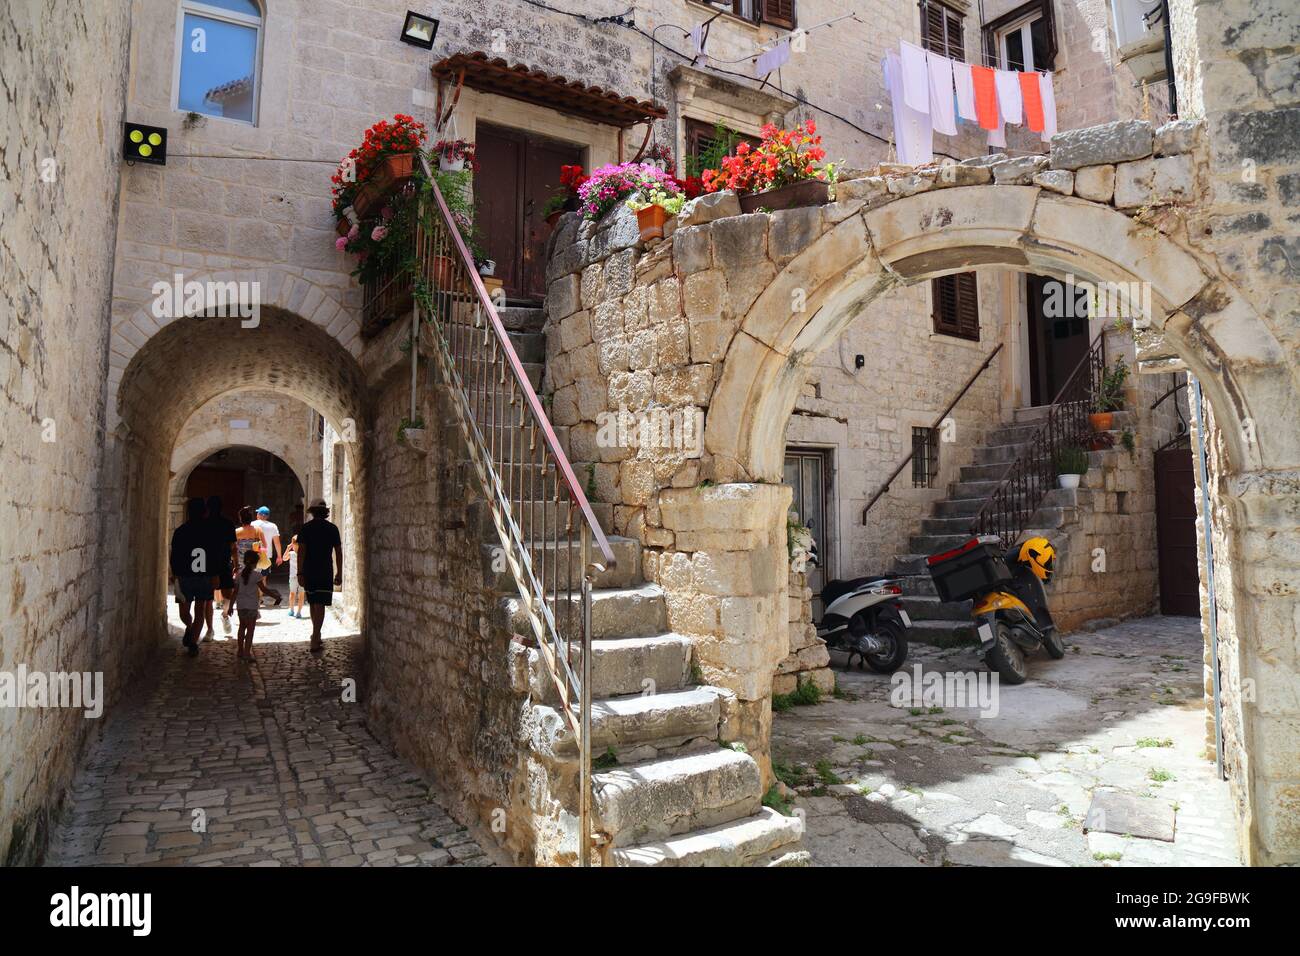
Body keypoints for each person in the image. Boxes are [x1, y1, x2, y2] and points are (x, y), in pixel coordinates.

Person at [296, 498, 342, 654]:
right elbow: (338, 552)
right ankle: (316, 635)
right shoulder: (332, 529)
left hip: (309, 570)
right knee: (320, 603)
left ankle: (315, 635)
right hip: (325, 570)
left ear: (312, 512)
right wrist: (339, 572)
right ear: (325, 512)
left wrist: (300, 572)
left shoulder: (305, 528)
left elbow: (301, 552)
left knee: (313, 602)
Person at [169, 497, 211, 656]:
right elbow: (214, 555)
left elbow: (175, 555)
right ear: (205, 512)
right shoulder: (209, 532)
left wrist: (175, 573)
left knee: (184, 610)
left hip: (185, 575)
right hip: (203, 576)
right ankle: (192, 634)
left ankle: (192, 639)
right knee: (199, 610)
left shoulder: (181, 531)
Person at [203, 495, 238, 640]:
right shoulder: (228, 524)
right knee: (226, 596)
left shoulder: (203, 523)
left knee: (208, 598)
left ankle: (212, 627)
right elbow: (233, 547)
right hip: (222, 563)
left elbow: (232, 546)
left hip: (209, 563)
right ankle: (221, 618)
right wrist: (236, 564)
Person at [231, 549, 265, 662]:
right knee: (250, 630)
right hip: (252, 606)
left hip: (241, 606)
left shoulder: (239, 575)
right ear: (256, 563)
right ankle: (247, 653)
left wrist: (231, 606)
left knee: (241, 627)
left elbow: (234, 592)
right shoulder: (257, 575)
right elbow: (263, 589)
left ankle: (240, 650)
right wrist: (275, 596)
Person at [251, 505, 283, 606]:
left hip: (254, 555)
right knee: (263, 578)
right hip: (266, 556)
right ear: (267, 516)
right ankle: (259, 598)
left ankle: (254, 599)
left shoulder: (252, 524)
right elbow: (277, 542)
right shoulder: (273, 526)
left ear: (260, 515)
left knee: (252, 577)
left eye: (257, 513)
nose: (256, 515)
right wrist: (279, 556)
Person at [285, 534, 305, 619]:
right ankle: (292, 609)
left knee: (301, 595)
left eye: (296, 545)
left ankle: (299, 612)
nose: (294, 547)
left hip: (302, 576)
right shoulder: (291, 553)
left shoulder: (304, 553)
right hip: (293, 576)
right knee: (292, 593)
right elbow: (284, 558)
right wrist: (287, 549)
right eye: (293, 545)